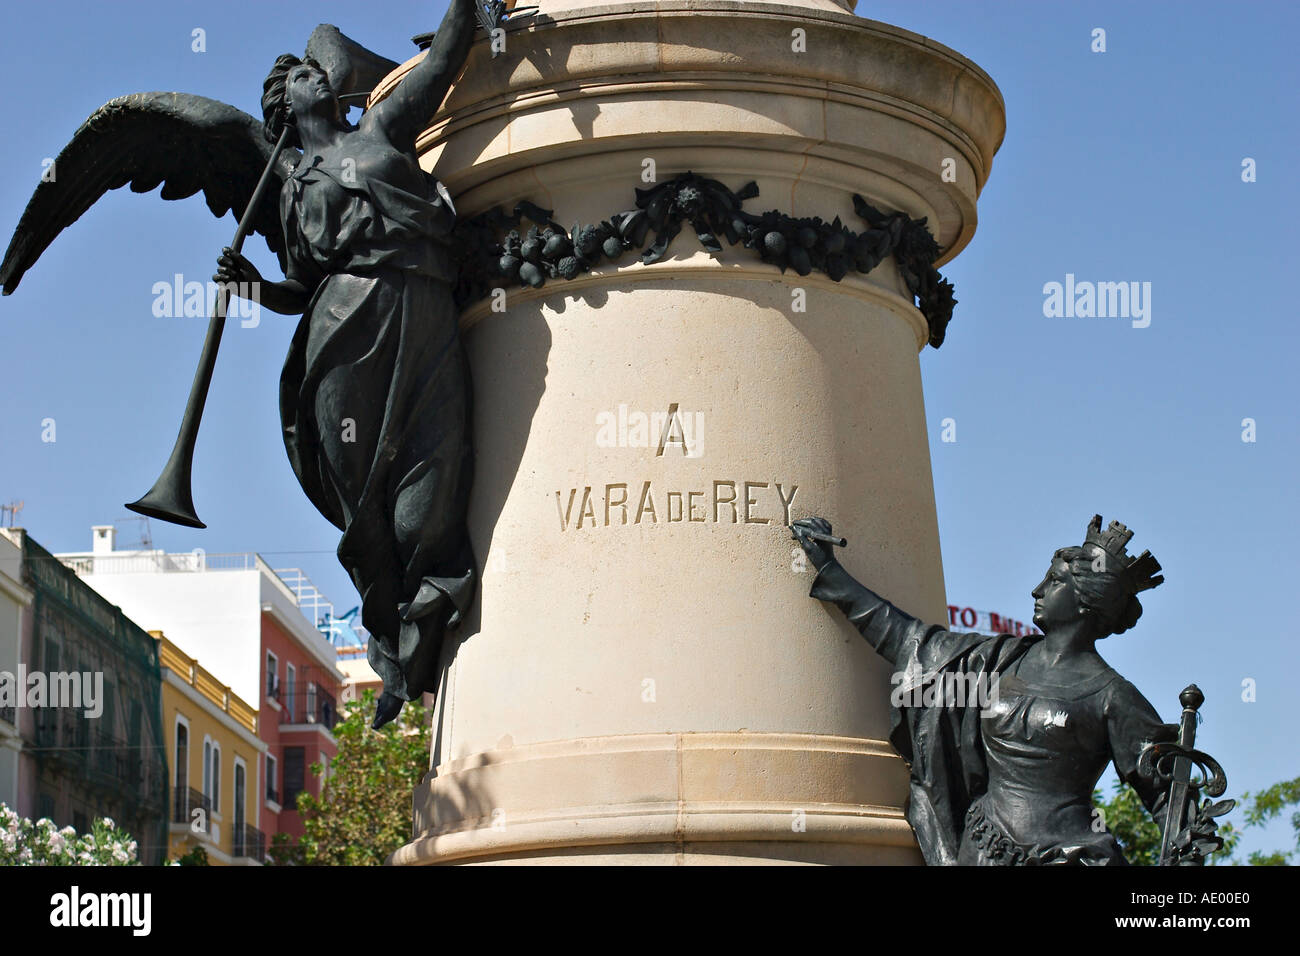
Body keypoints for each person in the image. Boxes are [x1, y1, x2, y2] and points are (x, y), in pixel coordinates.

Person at [215, 0, 479, 729]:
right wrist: (251, 284)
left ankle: (421, 625)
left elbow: (446, 57)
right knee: (362, 496)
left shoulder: (384, 128)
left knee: (430, 486)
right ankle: (390, 639)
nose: (315, 75)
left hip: (421, 312)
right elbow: (302, 289)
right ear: (286, 105)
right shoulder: (294, 188)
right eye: (300, 74)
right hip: (340, 332)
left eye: (315, 70)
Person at [790, 514, 1176, 864]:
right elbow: (907, 639)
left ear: (1086, 601)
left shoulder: (1114, 695)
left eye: (1054, 581)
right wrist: (831, 572)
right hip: (983, 851)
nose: (1037, 590)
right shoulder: (993, 661)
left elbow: (1167, 795)